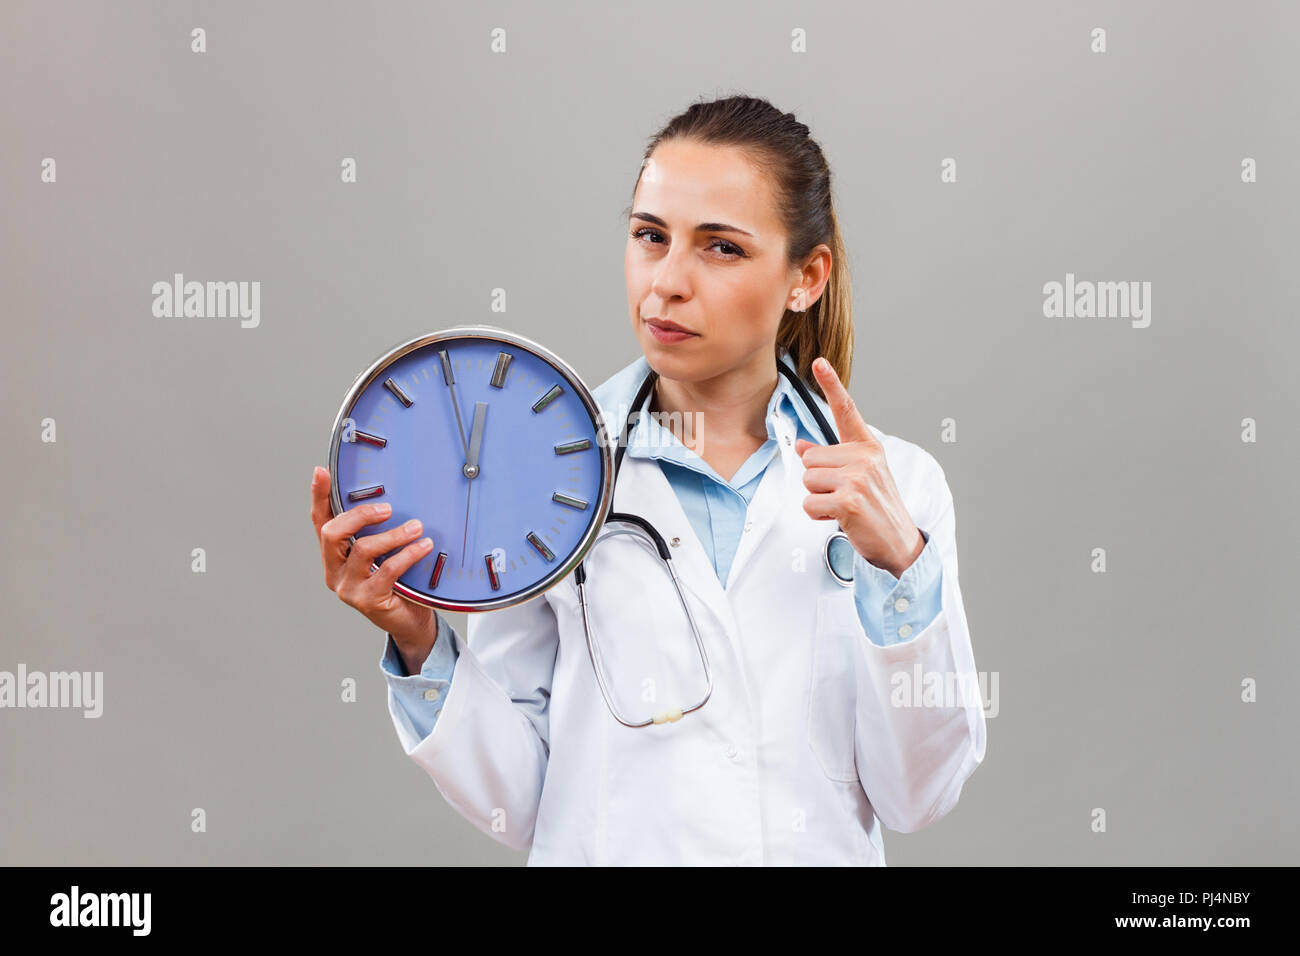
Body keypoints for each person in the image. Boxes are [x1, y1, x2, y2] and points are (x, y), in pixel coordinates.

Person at [309, 94, 985, 865]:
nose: (665, 283)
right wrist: (419, 639)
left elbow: (919, 797)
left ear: (807, 276)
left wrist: (900, 564)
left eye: (720, 248)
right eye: (650, 236)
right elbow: (521, 803)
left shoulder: (900, 488)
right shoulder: (546, 480)